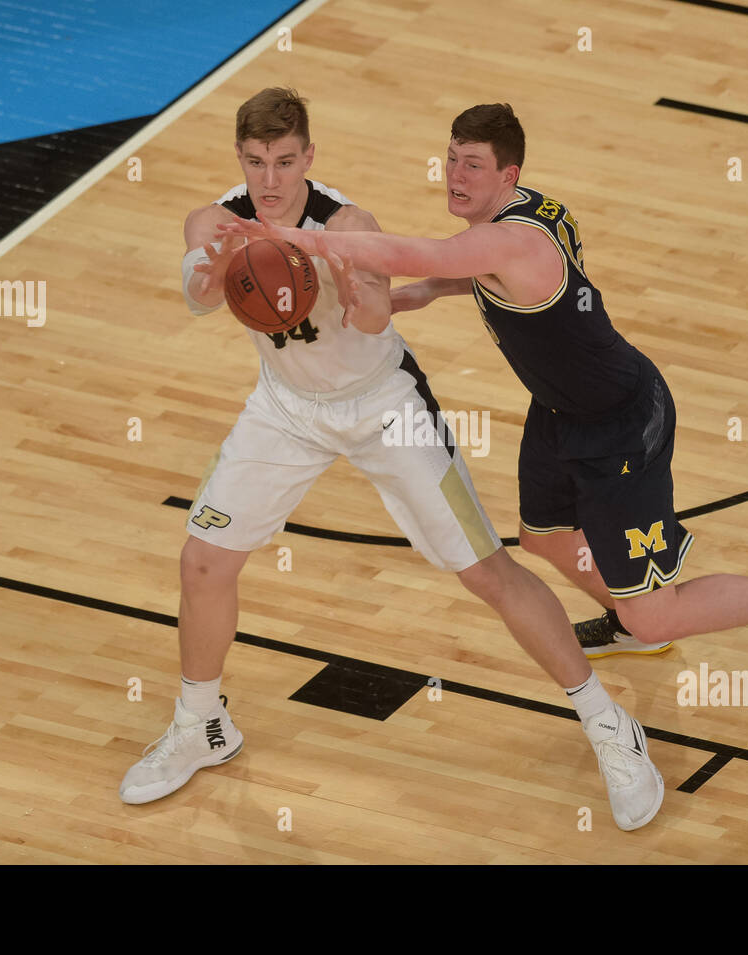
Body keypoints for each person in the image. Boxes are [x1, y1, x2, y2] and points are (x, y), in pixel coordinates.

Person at [120, 89, 666, 833]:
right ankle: (201, 723)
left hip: (384, 406)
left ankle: (610, 726)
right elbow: (193, 297)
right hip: (286, 408)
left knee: (486, 571)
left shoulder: (347, 224)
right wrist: (214, 270)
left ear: (309, 158)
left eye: (284, 162)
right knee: (203, 559)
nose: (269, 180)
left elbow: (376, 316)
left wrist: (351, 286)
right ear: (239, 160)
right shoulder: (216, 221)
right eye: (255, 163)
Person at [217, 102, 748, 687]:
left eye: (473, 165)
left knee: (654, 604)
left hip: (623, 423)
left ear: (506, 175)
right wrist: (414, 298)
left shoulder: (511, 241)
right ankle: (638, 618)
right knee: (542, 538)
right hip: (561, 409)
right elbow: (462, 273)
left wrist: (284, 235)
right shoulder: (525, 217)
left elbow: (416, 254)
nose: (455, 176)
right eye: (451, 159)